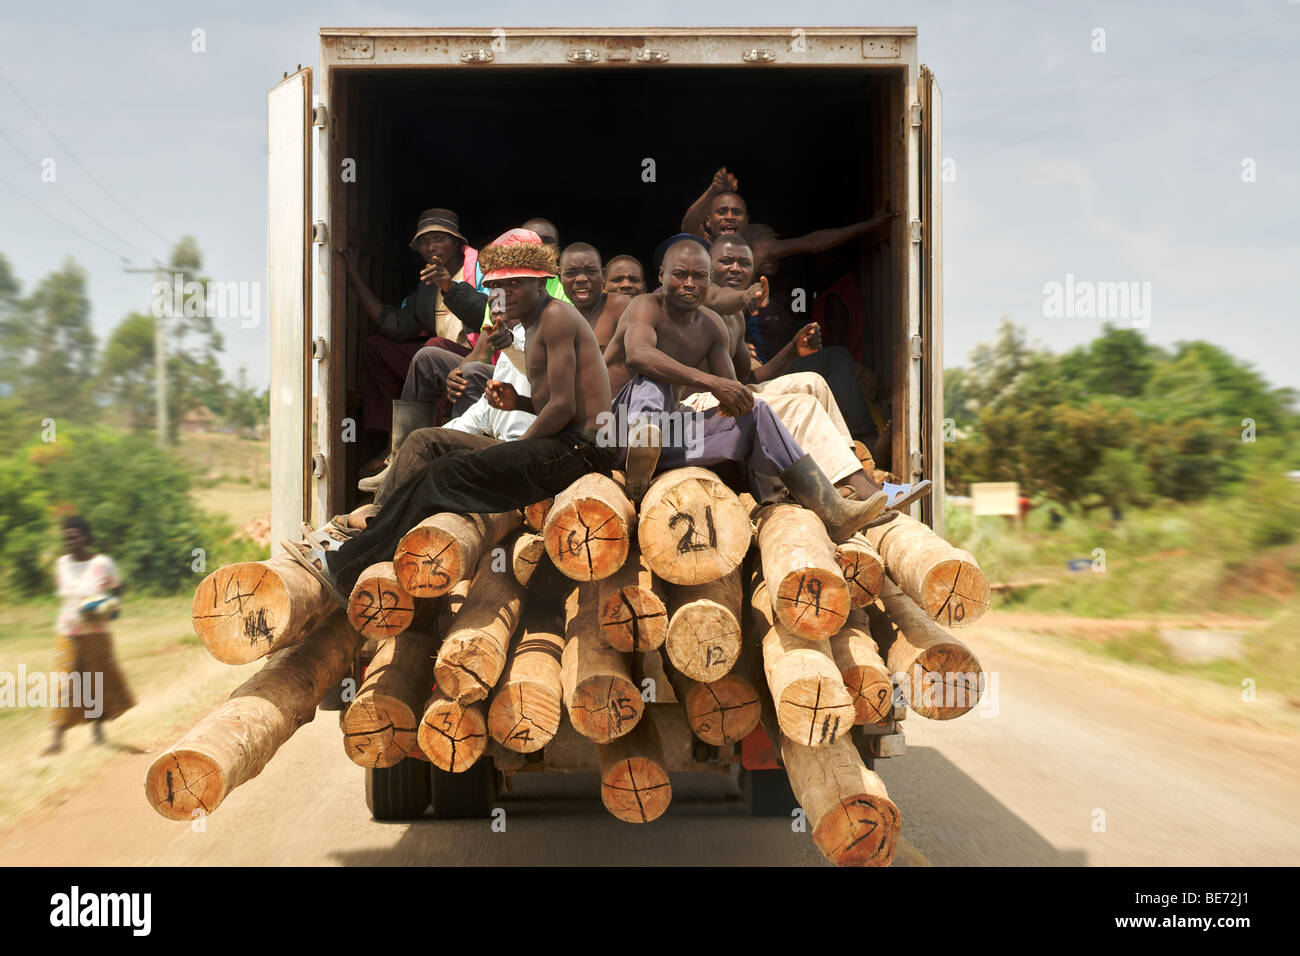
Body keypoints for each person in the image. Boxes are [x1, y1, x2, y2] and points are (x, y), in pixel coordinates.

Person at [285, 228, 615, 604]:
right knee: (435, 470)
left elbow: (564, 409)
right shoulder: (531, 325)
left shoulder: (557, 318)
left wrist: (513, 450)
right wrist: (517, 404)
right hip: (564, 443)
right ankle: (354, 554)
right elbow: (556, 401)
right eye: (495, 288)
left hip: (583, 450)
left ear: (541, 283)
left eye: (514, 286)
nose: (501, 296)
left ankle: (345, 568)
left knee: (445, 474)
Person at [601, 239, 908, 541]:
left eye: (698, 277)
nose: (689, 283)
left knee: (757, 410)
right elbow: (639, 354)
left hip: (671, 437)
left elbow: (733, 390)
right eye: (680, 274)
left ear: (708, 282)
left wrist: (740, 404)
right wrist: (711, 383)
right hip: (614, 432)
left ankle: (832, 510)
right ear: (661, 277)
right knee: (653, 378)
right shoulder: (645, 306)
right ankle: (638, 451)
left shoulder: (711, 326)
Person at [339, 208, 487, 442]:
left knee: (433, 345)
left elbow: (488, 317)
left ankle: (431, 434)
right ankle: (393, 441)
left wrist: (450, 287)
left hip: (481, 360)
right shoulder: (426, 284)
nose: (431, 247)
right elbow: (400, 326)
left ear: (457, 242)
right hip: (437, 360)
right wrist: (354, 280)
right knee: (376, 347)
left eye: (439, 239)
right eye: (424, 242)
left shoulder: (482, 270)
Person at [43, 516, 135, 755]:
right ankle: (57, 740)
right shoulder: (62, 563)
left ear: (85, 537)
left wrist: (108, 605)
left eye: (74, 537)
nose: (69, 541)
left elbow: (118, 588)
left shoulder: (102, 563)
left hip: (96, 633)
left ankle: (98, 734)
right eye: (66, 538)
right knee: (65, 683)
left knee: (94, 685)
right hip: (67, 631)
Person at [559, 242, 631, 348]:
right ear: (560, 277)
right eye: (571, 273)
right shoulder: (560, 319)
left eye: (590, 271)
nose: (581, 279)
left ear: (603, 275)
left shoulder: (620, 306)